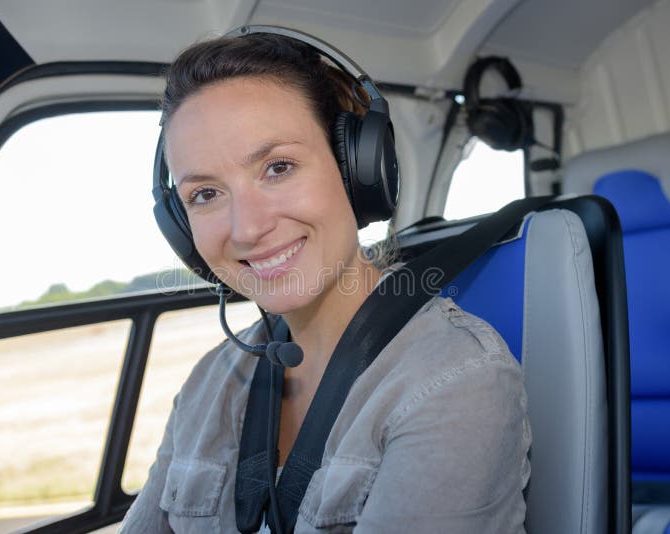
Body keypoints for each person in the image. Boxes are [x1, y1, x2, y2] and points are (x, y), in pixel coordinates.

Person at [120, 27, 531, 534]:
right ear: (180, 226)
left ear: (357, 170)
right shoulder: (210, 382)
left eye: (278, 167)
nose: (247, 228)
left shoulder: (457, 382)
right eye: (205, 194)